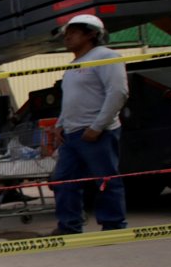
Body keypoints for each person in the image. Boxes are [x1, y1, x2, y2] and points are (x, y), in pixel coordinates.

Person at [50, 13, 128, 234]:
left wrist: (97, 126)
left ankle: (114, 225)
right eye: (67, 33)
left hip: (97, 133)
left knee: (105, 180)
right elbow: (71, 99)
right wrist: (60, 124)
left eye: (73, 32)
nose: (67, 37)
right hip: (72, 134)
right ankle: (69, 226)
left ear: (92, 33)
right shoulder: (74, 65)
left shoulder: (106, 56)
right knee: (63, 181)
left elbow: (118, 93)